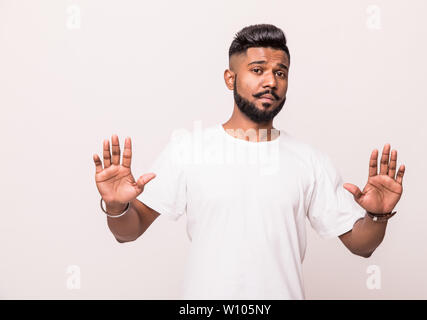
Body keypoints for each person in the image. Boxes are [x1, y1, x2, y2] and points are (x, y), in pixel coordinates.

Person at [92, 24, 405, 299]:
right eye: (258, 70)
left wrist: (377, 216)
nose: (271, 81)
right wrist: (118, 206)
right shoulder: (188, 149)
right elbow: (127, 232)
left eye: (280, 73)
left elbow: (362, 245)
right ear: (231, 78)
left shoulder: (310, 161)